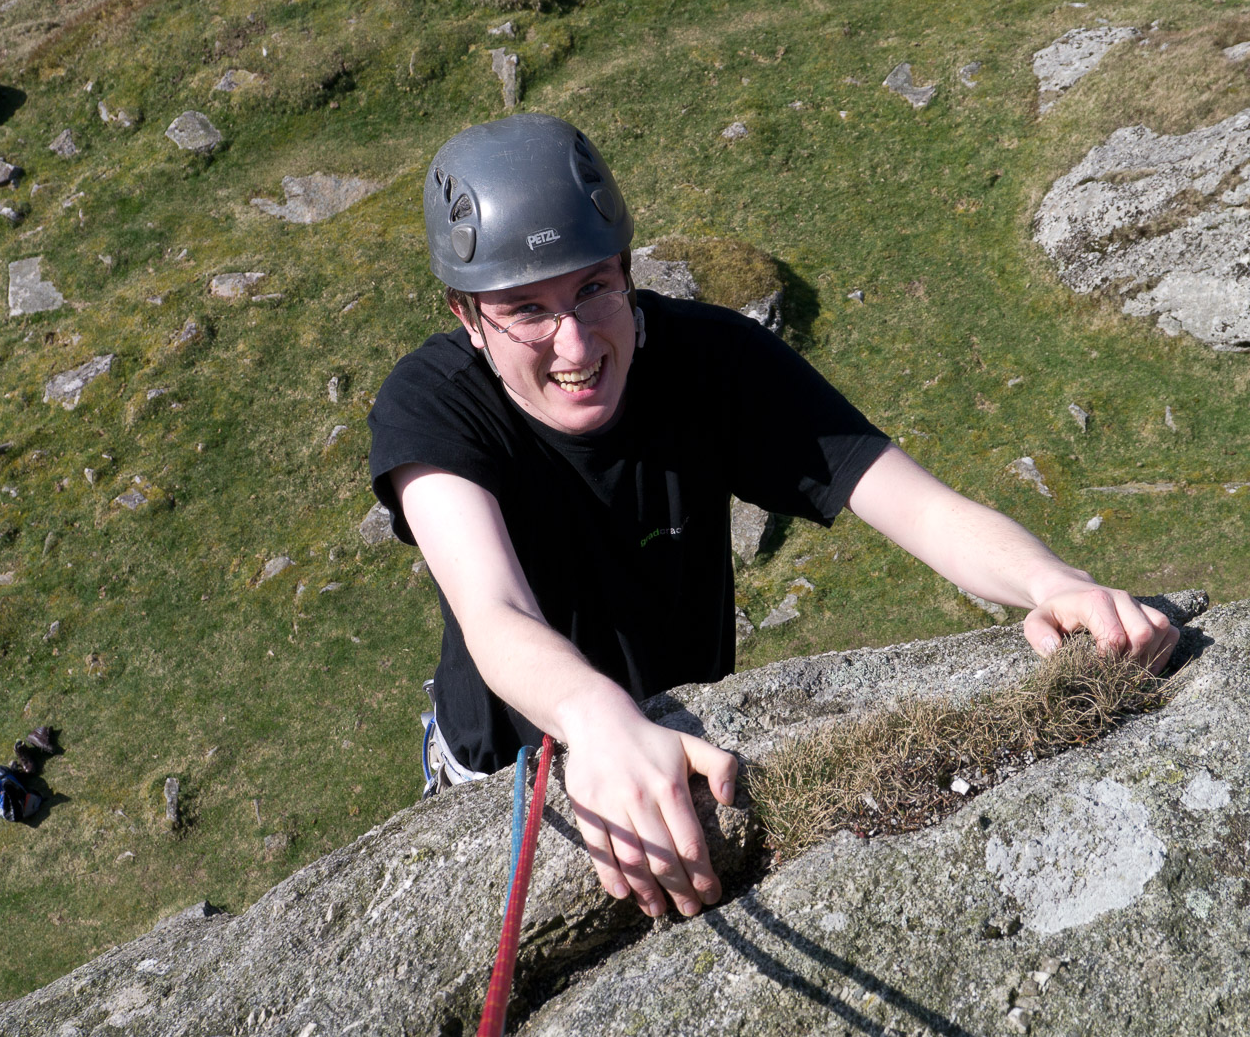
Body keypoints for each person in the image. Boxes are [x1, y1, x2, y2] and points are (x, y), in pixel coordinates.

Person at [368, 113, 1178, 921]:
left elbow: (917, 506)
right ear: (467, 318)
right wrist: (596, 718)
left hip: (688, 745)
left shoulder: (710, 361)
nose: (575, 346)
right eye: (526, 311)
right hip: (512, 767)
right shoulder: (434, 406)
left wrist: (1051, 581)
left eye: (593, 289)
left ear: (627, 270)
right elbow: (493, 608)